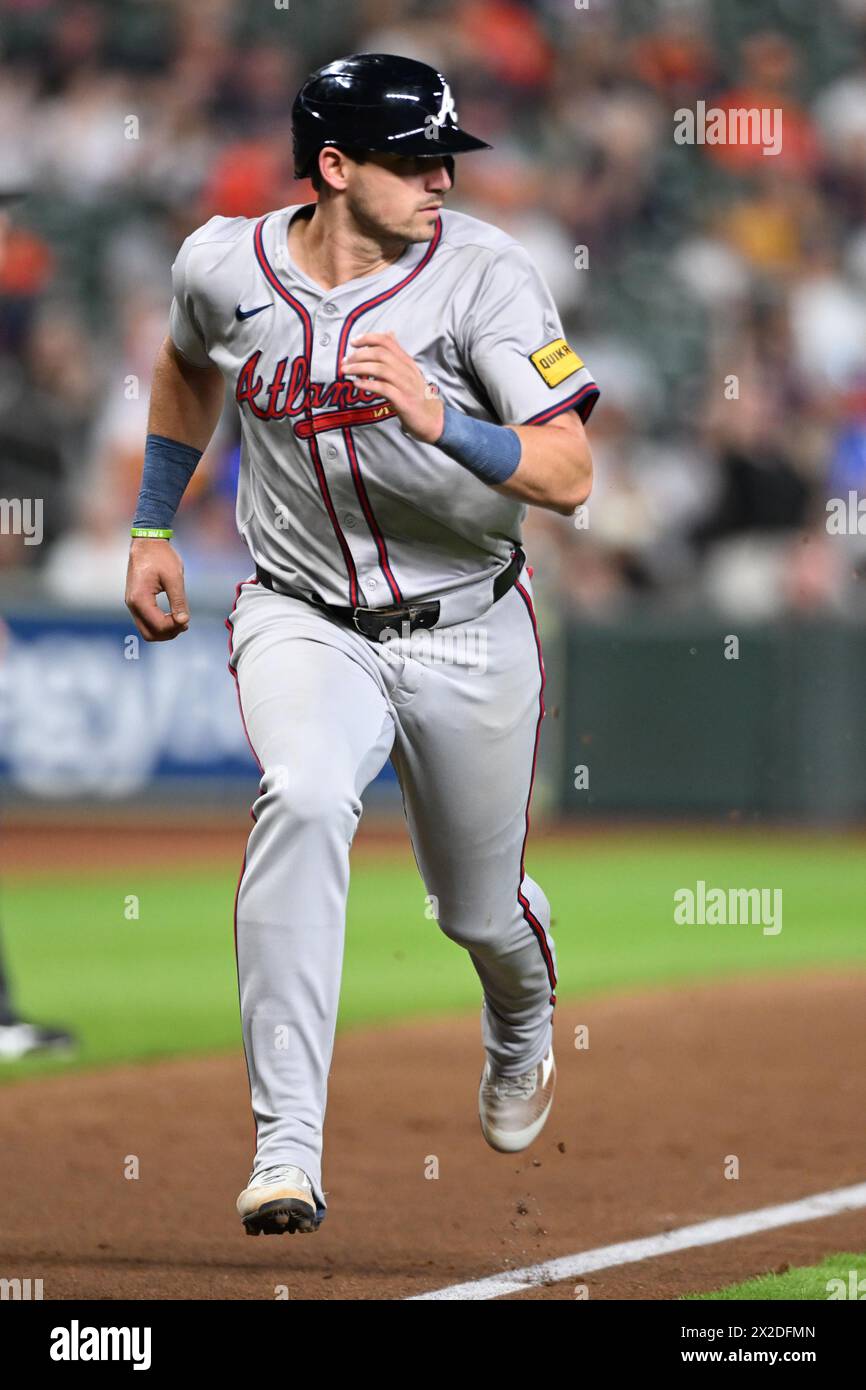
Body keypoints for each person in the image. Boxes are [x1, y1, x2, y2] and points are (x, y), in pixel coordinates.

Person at [125, 54, 598, 1236]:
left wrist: (445, 422)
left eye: (448, 156)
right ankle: (285, 1145)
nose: (441, 177)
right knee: (302, 791)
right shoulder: (221, 265)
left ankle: (521, 1016)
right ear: (333, 168)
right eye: (412, 159)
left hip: (466, 624)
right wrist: (150, 522)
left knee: (476, 911)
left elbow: (571, 475)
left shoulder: (487, 276)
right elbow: (187, 361)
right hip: (299, 612)